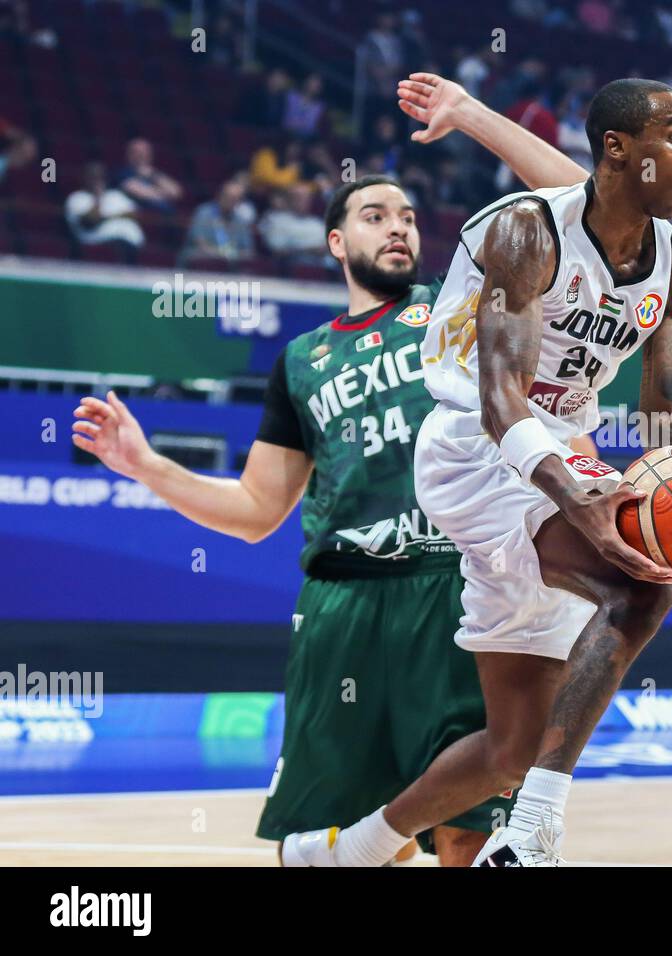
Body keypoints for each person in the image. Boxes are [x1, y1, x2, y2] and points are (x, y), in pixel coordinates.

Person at [72, 73, 592, 868]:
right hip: (343, 607)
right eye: (375, 215)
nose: (399, 230)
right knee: (336, 846)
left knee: (467, 832)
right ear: (334, 242)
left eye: (410, 218)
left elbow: (585, 210)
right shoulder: (301, 360)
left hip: (456, 580)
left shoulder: (457, 304)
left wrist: (473, 117)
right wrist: (144, 464)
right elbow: (254, 510)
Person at [282, 77, 672, 867]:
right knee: (644, 586)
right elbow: (499, 396)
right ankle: (533, 833)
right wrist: (573, 493)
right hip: (473, 448)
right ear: (618, 149)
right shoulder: (527, 232)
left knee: (513, 747)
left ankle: (346, 851)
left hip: (560, 450)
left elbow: (663, 413)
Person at [65, 162, 144, 253]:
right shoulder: (77, 198)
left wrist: (105, 218)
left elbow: (135, 214)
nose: (97, 180)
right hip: (98, 246)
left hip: (130, 244)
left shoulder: (115, 195)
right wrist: (98, 198)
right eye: (93, 177)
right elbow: (91, 221)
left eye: (100, 177)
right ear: (84, 178)